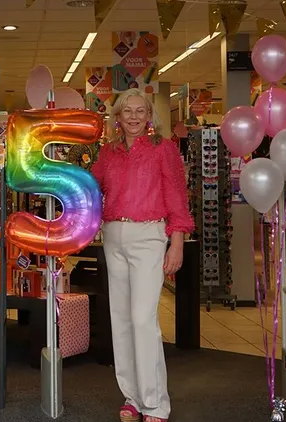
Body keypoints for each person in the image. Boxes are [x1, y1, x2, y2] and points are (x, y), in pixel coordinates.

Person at [90, 88, 194, 422]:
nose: (133, 117)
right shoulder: (108, 152)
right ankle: (132, 396)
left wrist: (177, 242)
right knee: (120, 320)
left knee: (141, 319)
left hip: (149, 235)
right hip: (113, 237)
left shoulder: (164, 149)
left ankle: (155, 403)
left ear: (149, 115)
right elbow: (92, 188)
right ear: (117, 117)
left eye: (140, 111)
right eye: (127, 111)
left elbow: (176, 196)